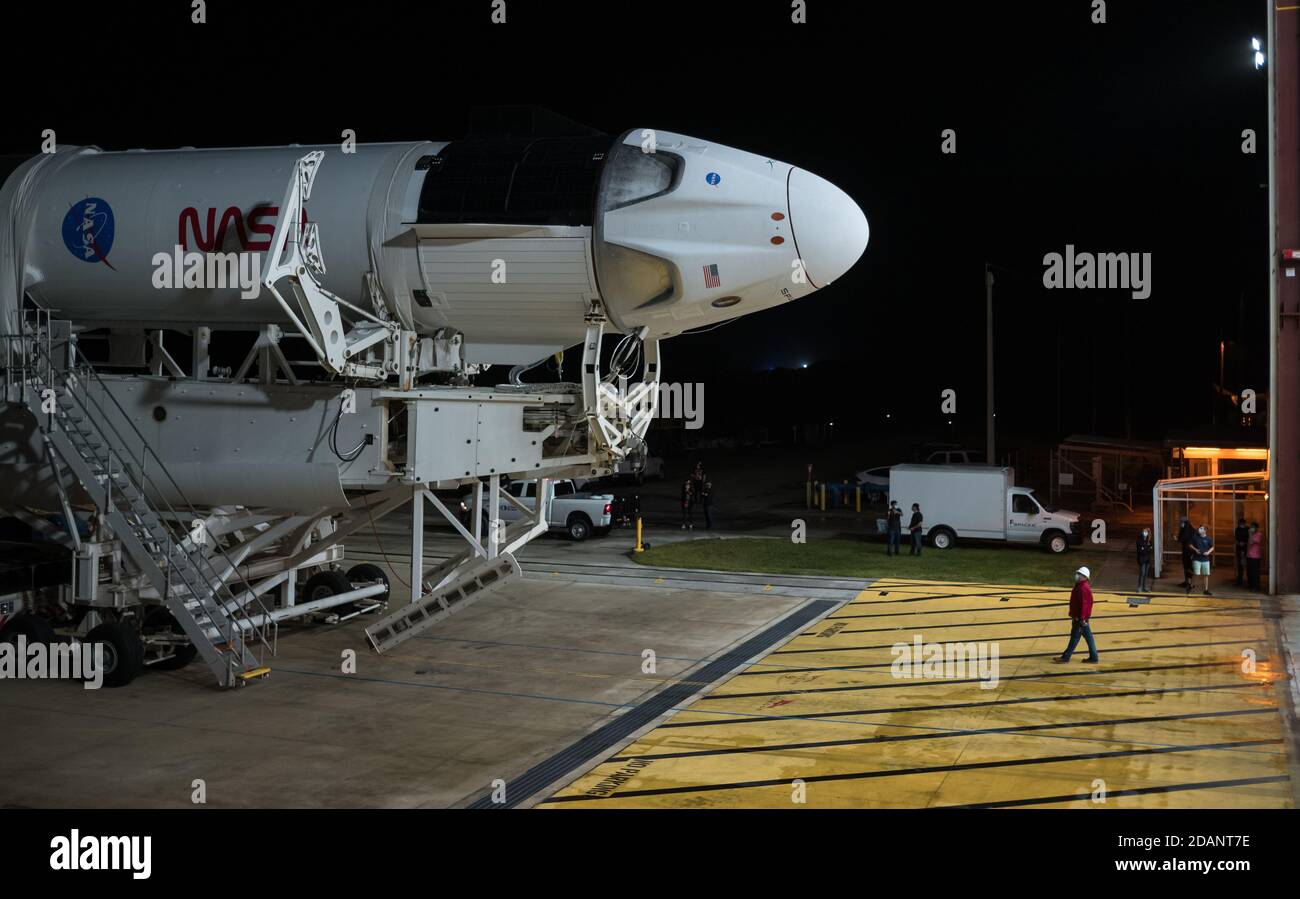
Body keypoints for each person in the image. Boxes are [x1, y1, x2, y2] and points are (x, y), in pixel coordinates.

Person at [1054, 565, 1099, 663]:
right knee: (1088, 637)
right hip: (1081, 618)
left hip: (1080, 619)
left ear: (1085, 577)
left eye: (1079, 574)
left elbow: (1085, 605)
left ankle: (1065, 657)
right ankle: (1094, 657)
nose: (1077, 575)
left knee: (1074, 638)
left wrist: (1081, 618)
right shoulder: (1080, 586)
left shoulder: (1083, 588)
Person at [1189, 524, 1215, 596]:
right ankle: (1191, 585)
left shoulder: (1209, 538)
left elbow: (1212, 547)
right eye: (1199, 528)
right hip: (1196, 558)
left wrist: (1208, 552)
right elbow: (1190, 545)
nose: (1199, 529)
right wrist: (1195, 550)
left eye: (1201, 528)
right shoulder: (1195, 537)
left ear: (1205, 530)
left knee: (1206, 574)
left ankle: (1206, 590)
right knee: (1196, 573)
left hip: (1205, 559)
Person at [1177, 515, 1195, 588]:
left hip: (1188, 551)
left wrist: (1179, 539)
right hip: (1188, 551)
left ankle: (1189, 583)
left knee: (1188, 567)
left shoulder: (1187, 529)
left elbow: (1183, 538)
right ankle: (1188, 582)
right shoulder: (1191, 529)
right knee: (1187, 567)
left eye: (1182, 522)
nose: (1181, 524)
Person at [1136, 527, 1153, 593]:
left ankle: (1144, 587)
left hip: (1147, 559)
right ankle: (1139, 587)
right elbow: (1140, 550)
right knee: (1142, 573)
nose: (1145, 533)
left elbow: (1151, 549)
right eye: (1144, 532)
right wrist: (1147, 549)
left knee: (1146, 574)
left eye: (1146, 532)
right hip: (1141, 559)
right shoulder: (1139, 540)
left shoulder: (1149, 540)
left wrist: (1145, 549)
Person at [1247, 521, 1263, 591]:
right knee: (1249, 572)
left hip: (1255, 557)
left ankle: (1256, 587)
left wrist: (1250, 534)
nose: (1251, 528)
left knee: (1255, 572)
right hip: (1249, 555)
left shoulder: (1258, 534)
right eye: (1251, 527)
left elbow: (1251, 542)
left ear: (1256, 528)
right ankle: (1251, 585)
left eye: (1253, 527)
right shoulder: (1251, 535)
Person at [1234, 517, 1250, 586]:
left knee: (1247, 564)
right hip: (1239, 548)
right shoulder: (1237, 529)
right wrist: (1239, 543)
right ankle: (1240, 579)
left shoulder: (1247, 529)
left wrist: (1245, 543)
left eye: (1242, 523)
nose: (1241, 524)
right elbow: (1236, 538)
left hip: (1247, 548)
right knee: (1240, 564)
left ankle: (1248, 579)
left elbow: (1249, 538)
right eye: (1240, 523)